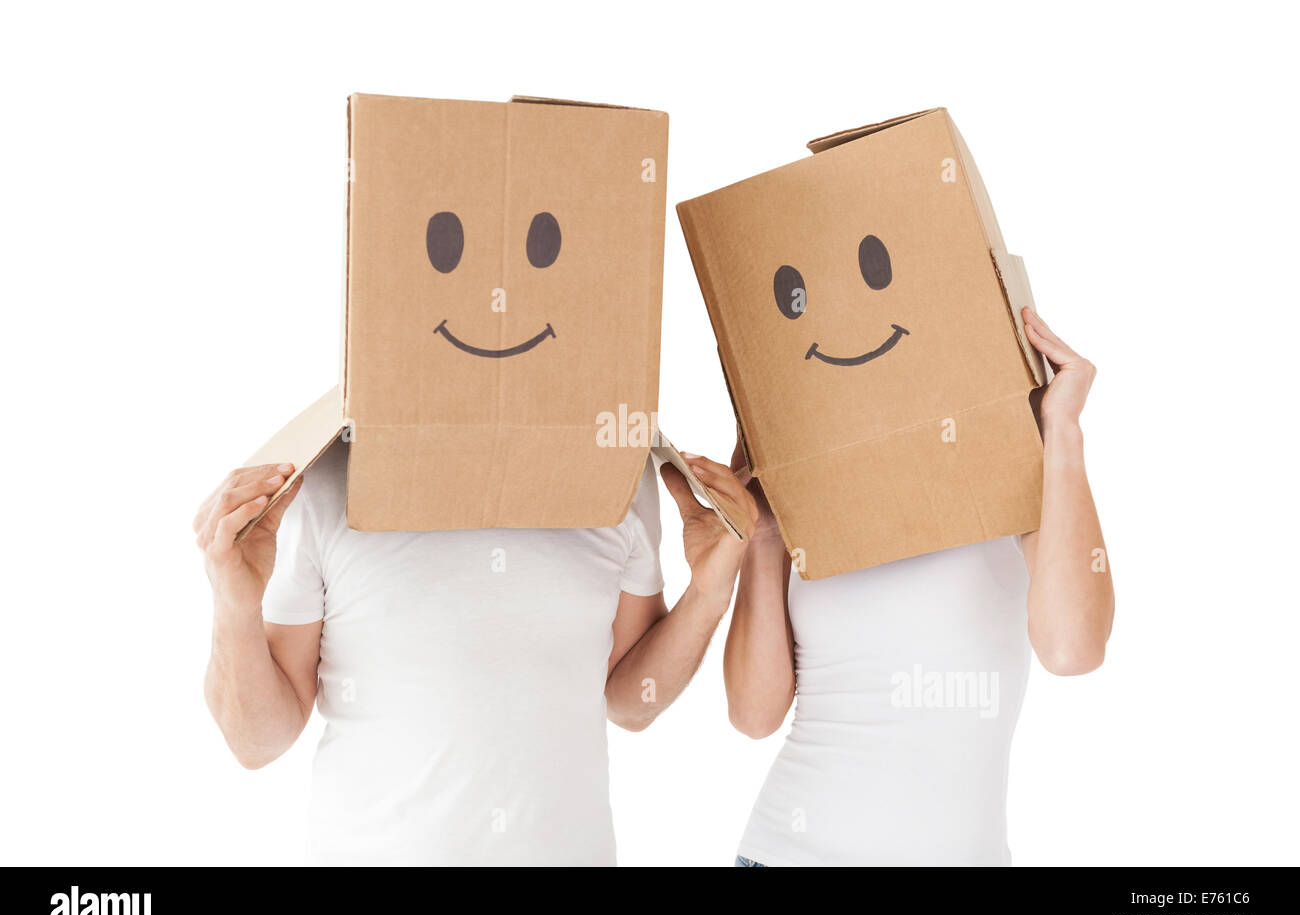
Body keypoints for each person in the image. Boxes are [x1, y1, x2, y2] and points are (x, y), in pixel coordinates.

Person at [194, 441, 756, 866]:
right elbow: (257, 741)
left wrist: (708, 594)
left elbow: (631, 702)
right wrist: (234, 606)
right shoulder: (327, 478)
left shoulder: (616, 473)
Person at [725, 308, 1113, 866]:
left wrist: (1062, 428)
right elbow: (753, 716)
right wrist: (761, 532)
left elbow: (1073, 650)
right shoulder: (808, 478)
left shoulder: (1005, 461)